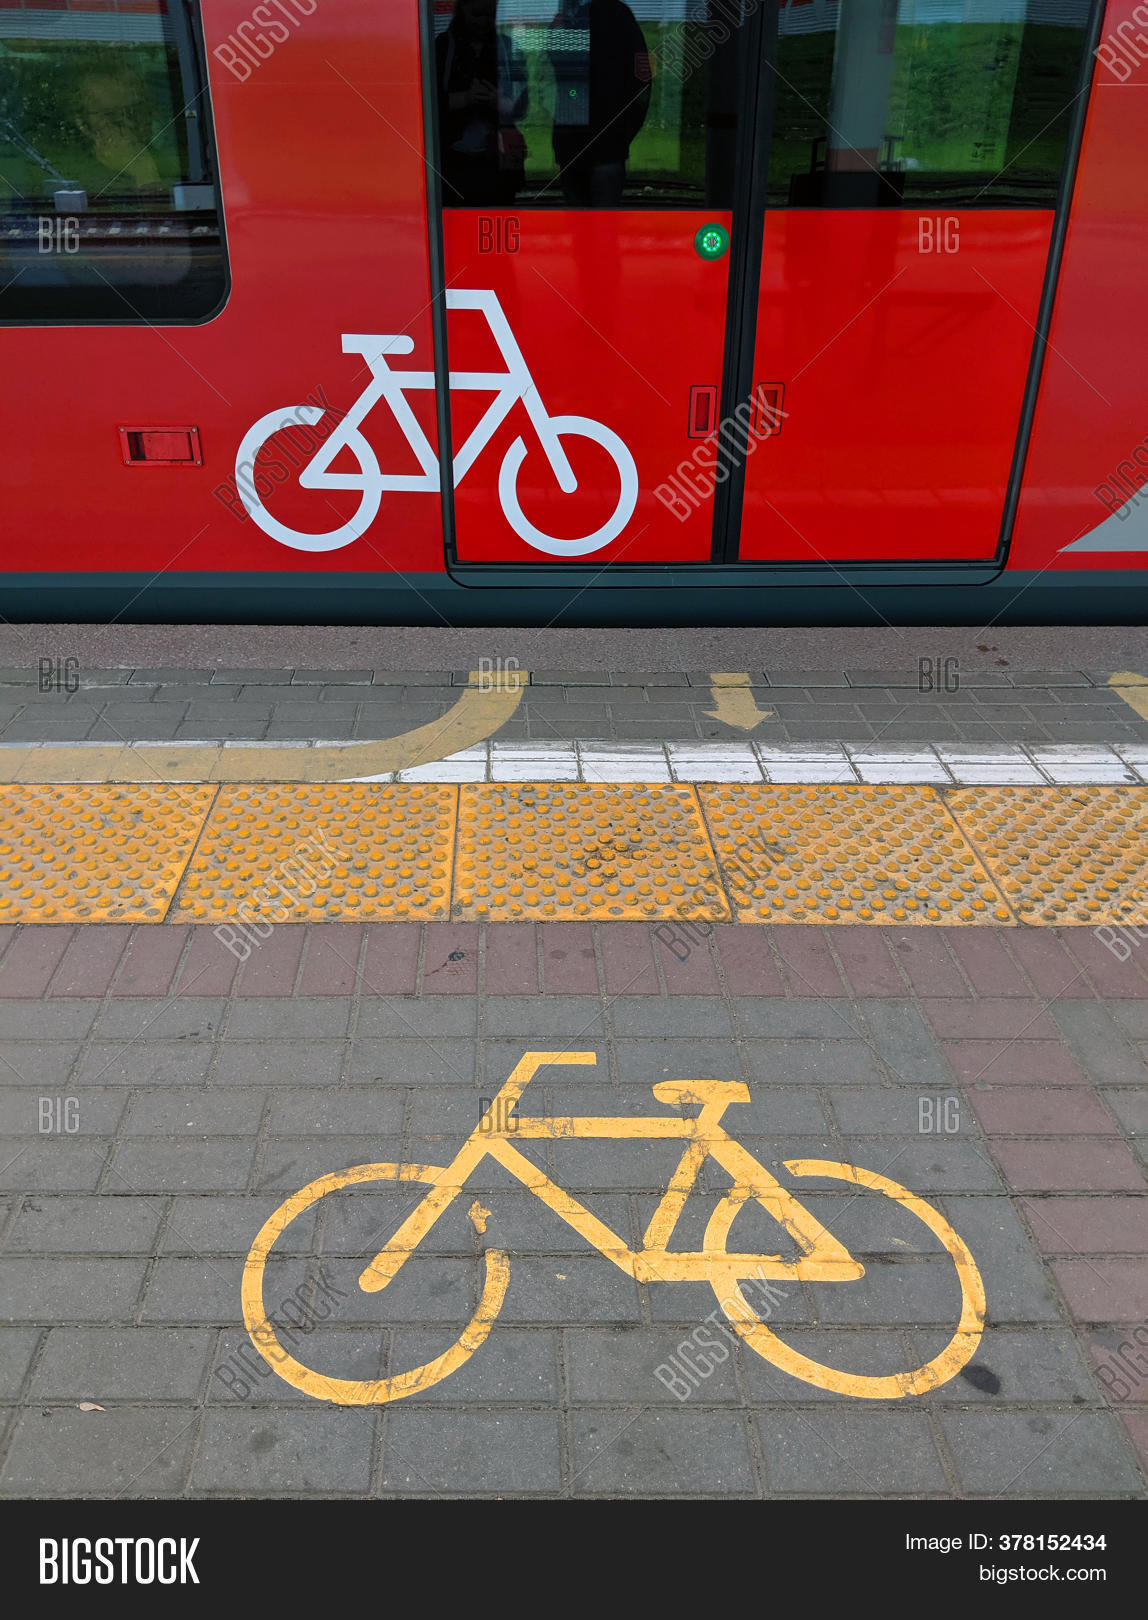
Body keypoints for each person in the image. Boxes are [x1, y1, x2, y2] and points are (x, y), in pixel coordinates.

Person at [548, 0, 650, 206]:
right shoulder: (615, 13)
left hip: (578, 143)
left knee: (583, 224)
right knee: (600, 225)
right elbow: (642, 77)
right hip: (597, 144)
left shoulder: (597, 15)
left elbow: (563, 73)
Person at [435, 0, 529, 207]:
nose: (484, 22)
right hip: (454, 162)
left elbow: (523, 103)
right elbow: (427, 104)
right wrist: (466, 98)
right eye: (477, 14)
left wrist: (499, 102)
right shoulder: (442, 48)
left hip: (497, 161)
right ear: (461, 12)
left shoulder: (507, 46)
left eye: (490, 15)